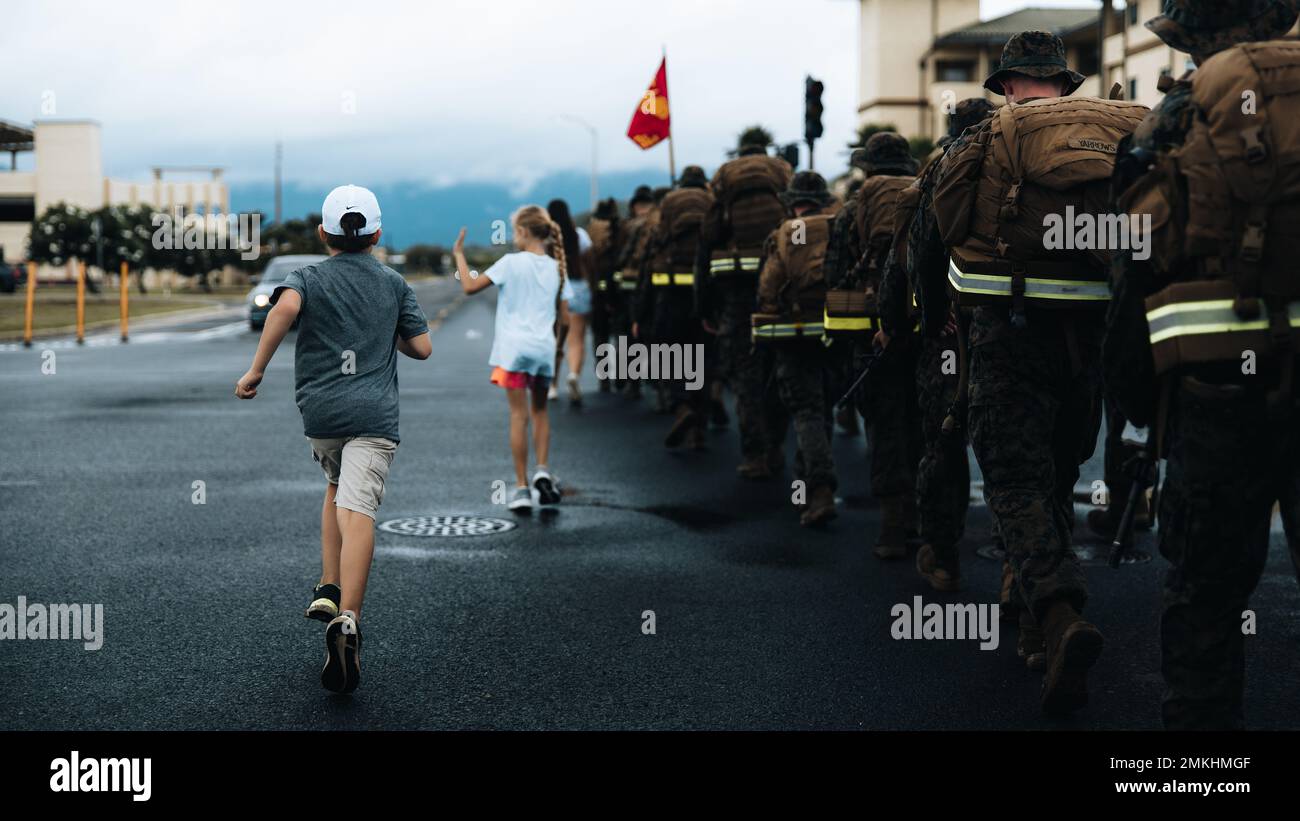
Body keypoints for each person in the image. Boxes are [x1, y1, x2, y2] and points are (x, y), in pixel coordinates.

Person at [925, 31, 1147, 714]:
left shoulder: (984, 137)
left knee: (1015, 477)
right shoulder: (1118, 136)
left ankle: (1055, 613)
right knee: (1056, 469)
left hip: (1008, 328)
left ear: (1008, 84)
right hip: (1091, 335)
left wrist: (939, 323)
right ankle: (1029, 617)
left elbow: (937, 232)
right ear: (1065, 83)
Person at [1104, 0, 1300, 729]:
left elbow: (1136, 270)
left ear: (1192, 35)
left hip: (1221, 388)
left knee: (1208, 595)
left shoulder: (1179, 116)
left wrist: (1129, 404)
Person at [234, 184, 431, 694]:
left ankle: (328, 585)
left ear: (323, 234)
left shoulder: (305, 277)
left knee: (336, 488)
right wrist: (387, 327)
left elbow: (282, 311)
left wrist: (256, 370)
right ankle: (349, 619)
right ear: (377, 233)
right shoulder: (392, 282)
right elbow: (423, 348)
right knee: (359, 507)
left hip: (322, 415)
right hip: (373, 415)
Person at [877, 98, 994, 595]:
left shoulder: (940, 172)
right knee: (1018, 456)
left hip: (949, 340)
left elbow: (910, 257)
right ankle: (1026, 579)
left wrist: (919, 318)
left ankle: (943, 556)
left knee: (943, 442)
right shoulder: (1028, 162)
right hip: (1023, 330)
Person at [825, 131, 921, 560]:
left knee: (884, 426)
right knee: (926, 424)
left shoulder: (852, 211)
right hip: (927, 330)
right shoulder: (930, 195)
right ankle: (931, 526)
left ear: (868, 168)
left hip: (873, 335)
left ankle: (892, 526)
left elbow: (835, 276)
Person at [454, 205, 573, 513]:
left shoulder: (510, 263)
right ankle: (543, 470)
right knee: (541, 413)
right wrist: (558, 349)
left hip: (513, 351)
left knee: (518, 417)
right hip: (543, 350)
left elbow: (469, 287)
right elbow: (565, 319)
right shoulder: (556, 267)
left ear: (521, 232)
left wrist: (459, 254)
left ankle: (521, 488)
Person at [695, 128, 794, 479]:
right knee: (778, 368)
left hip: (737, 294)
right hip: (781, 289)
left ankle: (755, 455)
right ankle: (778, 446)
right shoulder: (782, 172)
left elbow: (708, 240)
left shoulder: (725, 177)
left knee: (746, 375)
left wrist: (704, 306)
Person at [756, 171, 839, 526]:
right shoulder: (840, 227)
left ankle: (818, 491)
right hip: (836, 332)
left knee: (806, 412)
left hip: (793, 334)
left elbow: (769, 286)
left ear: (791, 202)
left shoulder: (784, 233)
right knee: (823, 409)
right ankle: (804, 489)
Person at [635, 165, 714, 449]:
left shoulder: (669, 202)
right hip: (703, 293)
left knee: (671, 355)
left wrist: (640, 313)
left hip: (669, 293)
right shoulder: (712, 200)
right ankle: (699, 429)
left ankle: (682, 407)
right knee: (702, 360)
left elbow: (652, 253)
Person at [547, 199, 591, 406]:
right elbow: (590, 261)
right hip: (579, 286)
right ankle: (573, 374)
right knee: (577, 338)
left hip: (554, 288)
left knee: (555, 340)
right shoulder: (579, 235)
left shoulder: (545, 236)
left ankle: (552, 385)